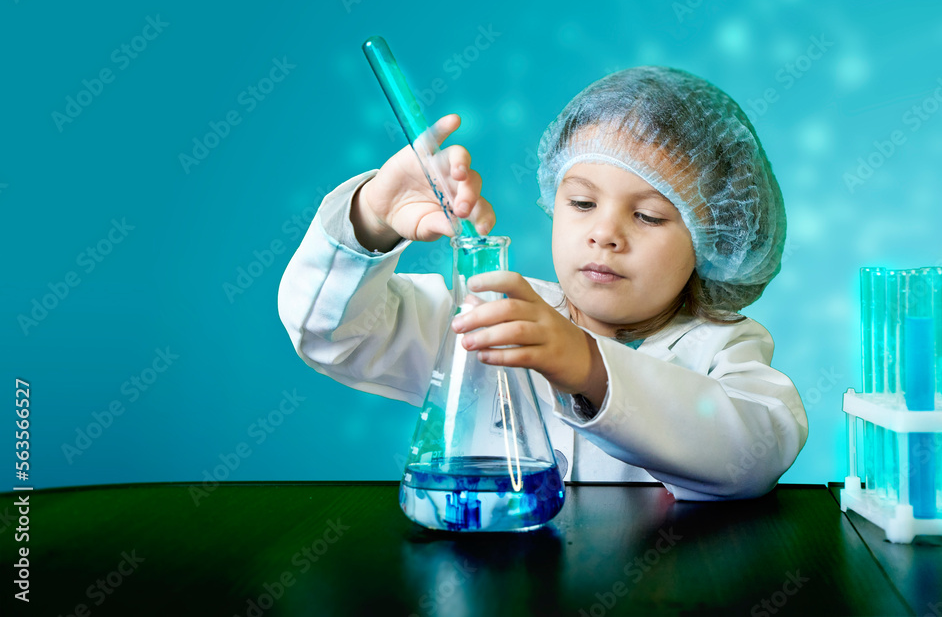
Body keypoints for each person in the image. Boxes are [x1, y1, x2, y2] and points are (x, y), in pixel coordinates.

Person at [277, 66, 808, 500]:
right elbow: (330, 331)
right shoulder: (486, 310)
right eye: (581, 202)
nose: (604, 234)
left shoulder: (722, 345)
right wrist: (371, 216)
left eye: (647, 216)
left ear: (715, 238)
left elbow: (757, 450)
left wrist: (586, 365)